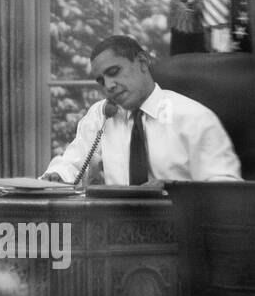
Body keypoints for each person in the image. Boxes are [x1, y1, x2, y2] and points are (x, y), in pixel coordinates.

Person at [41, 35, 242, 185]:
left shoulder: (195, 117)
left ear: (143, 63)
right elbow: (73, 162)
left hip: (183, 229)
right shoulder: (102, 115)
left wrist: (176, 189)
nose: (109, 86)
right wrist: (58, 175)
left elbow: (227, 190)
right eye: (101, 80)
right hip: (116, 231)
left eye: (114, 72)